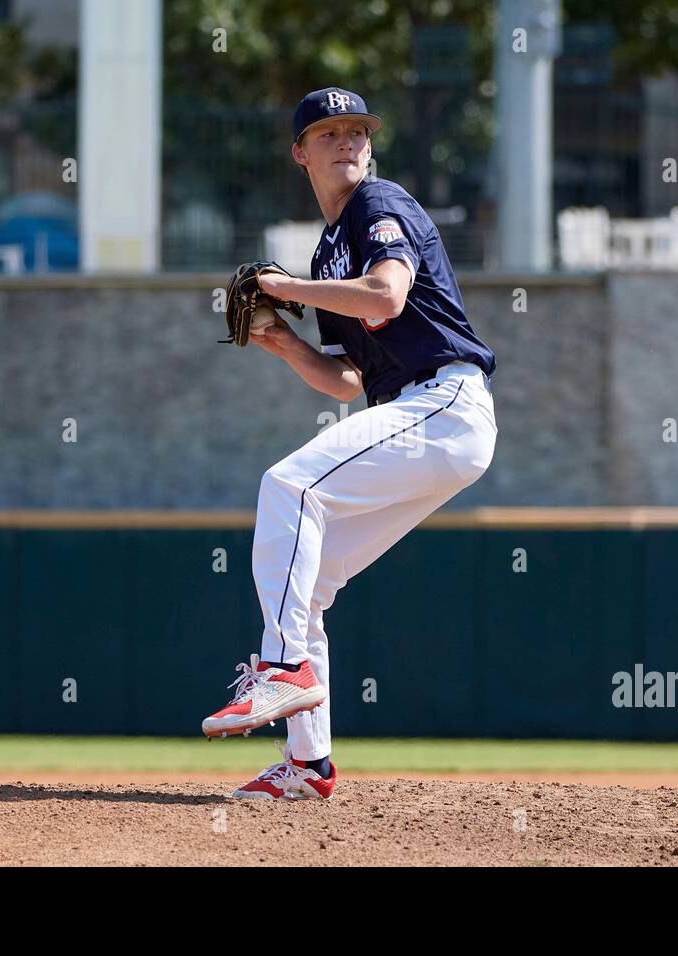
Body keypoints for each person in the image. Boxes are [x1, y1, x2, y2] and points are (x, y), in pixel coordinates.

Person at [201, 87, 498, 800]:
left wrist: (286, 284)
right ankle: (309, 765)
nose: (348, 142)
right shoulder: (331, 245)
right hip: (414, 417)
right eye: (329, 132)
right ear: (300, 152)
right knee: (312, 585)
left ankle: (281, 672)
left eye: (358, 130)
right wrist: (282, 341)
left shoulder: (379, 204)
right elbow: (345, 379)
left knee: (290, 487)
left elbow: (388, 295)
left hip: (445, 402)